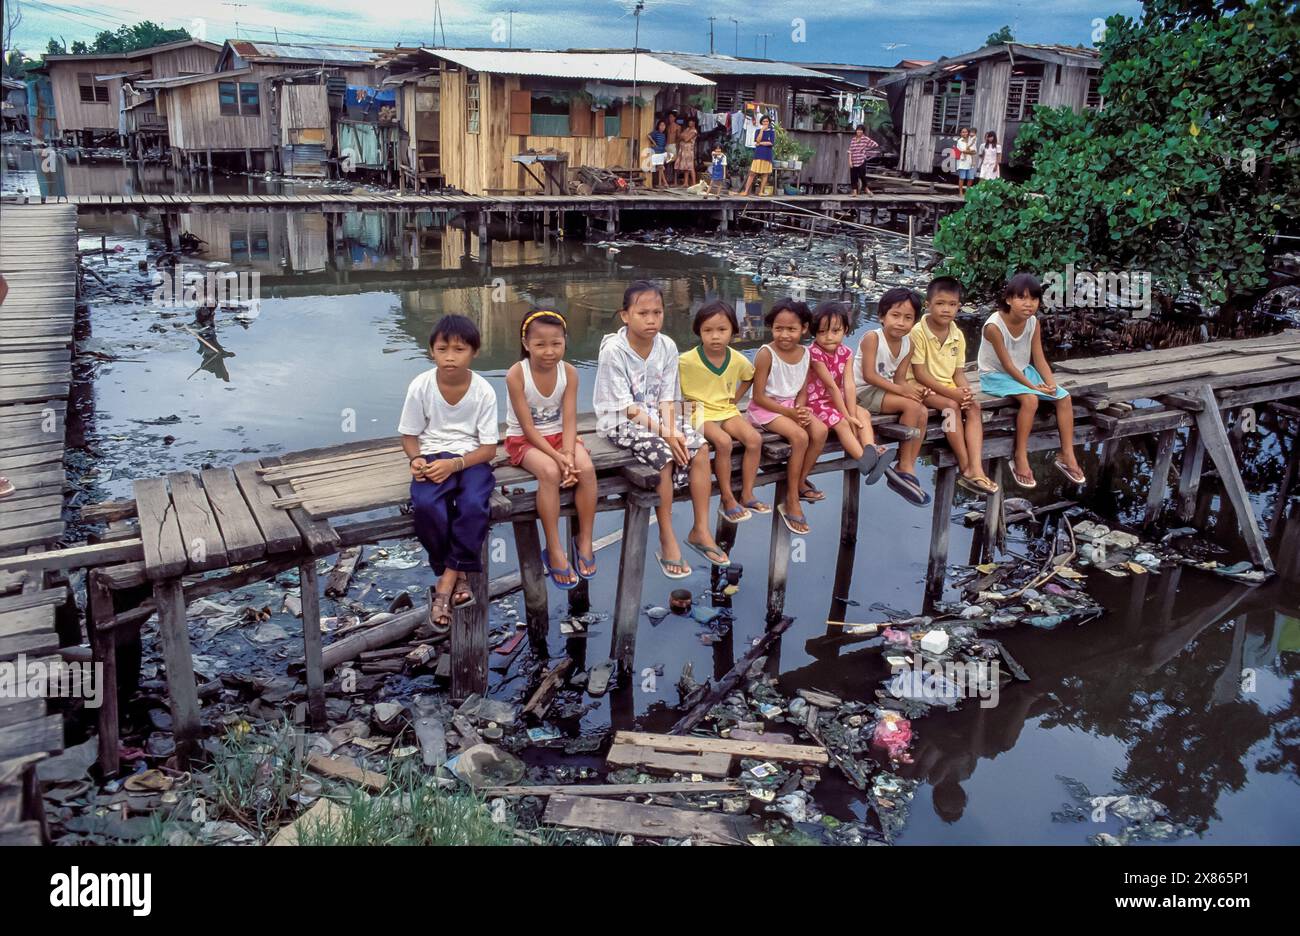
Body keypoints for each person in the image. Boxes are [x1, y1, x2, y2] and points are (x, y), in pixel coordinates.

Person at [593, 281, 730, 578]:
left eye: (657, 312)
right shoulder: (614, 351)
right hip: (619, 419)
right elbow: (626, 407)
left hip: (658, 416)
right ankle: (667, 538)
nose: (651, 320)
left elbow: (668, 397)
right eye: (643, 313)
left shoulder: (666, 345)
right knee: (664, 455)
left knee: (700, 447)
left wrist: (671, 428)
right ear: (625, 316)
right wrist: (665, 434)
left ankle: (700, 530)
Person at [398, 315, 499, 633]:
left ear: (474, 352)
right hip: (432, 456)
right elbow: (409, 436)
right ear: (432, 351)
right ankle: (460, 574)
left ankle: (445, 582)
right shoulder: (421, 386)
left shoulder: (483, 391)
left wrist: (455, 464)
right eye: (443, 349)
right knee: (428, 506)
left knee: (472, 505)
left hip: (470, 460)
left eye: (459, 349)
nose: (450, 357)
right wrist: (416, 460)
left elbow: (489, 449)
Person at [505, 310, 599, 588]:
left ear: (565, 341)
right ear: (526, 344)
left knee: (586, 468)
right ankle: (554, 547)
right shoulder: (517, 374)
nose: (549, 351)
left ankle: (585, 539)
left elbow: (569, 419)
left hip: (561, 436)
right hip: (526, 439)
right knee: (549, 472)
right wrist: (558, 458)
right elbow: (527, 427)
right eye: (540, 344)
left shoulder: (569, 372)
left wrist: (568, 454)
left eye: (556, 343)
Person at [978, 273, 1085, 488]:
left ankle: (1067, 454)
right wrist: (1034, 388)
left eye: (1034, 299)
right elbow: (1007, 365)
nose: (1028, 304)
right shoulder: (994, 326)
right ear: (1008, 299)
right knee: (1031, 400)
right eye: (1022, 298)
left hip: (1023, 371)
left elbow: (1039, 358)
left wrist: (1050, 384)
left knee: (1064, 398)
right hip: (995, 375)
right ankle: (1020, 455)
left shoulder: (1033, 323)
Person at [679, 299, 768, 523]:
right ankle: (727, 497)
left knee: (754, 440)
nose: (715, 336)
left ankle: (747, 493)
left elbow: (749, 377)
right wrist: (680, 405)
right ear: (699, 331)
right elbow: (666, 383)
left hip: (726, 410)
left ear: (733, 331)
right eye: (708, 330)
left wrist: (736, 398)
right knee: (723, 442)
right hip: (698, 412)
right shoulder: (686, 361)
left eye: (722, 330)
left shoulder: (737, 359)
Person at [909, 277, 999, 495]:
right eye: (940, 303)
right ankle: (966, 466)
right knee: (951, 408)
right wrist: (952, 394)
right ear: (928, 305)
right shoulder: (918, 332)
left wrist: (965, 392)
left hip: (947, 386)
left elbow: (958, 373)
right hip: (921, 387)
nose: (946, 309)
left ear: (959, 306)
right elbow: (920, 374)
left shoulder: (957, 335)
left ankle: (976, 467)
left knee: (974, 407)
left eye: (952, 304)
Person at [747, 298, 826, 534]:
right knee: (800, 437)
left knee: (820, 431)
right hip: (765, 409)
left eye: (791, 329)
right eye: (778, 328)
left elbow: (802, 391)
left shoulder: (806, 354)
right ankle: (791, 498)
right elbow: (758, 396)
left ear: (804, 328)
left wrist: (800, 409)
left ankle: (800, 480)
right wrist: (790, 413)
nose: (784, 335)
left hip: (791, 406)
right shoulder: (766, 354)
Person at [855, 287, 932, 506]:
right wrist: (902, 392)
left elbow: (900, 379)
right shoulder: (872, 338)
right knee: (912, 407)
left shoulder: (909, 344)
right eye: (895, 315)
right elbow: (869, 376)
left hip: (885, 390)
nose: (901, 322)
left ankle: (908, 465)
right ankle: (903, 464)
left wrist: (916, 390)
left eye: (908, 318)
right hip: (862, 392)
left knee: (922, 410)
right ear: (882, 316)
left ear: (914, 321)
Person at [807, 300, 894, 484]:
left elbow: (849, 384)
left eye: (835, 331)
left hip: (836, 400)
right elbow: (831, 386)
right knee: (842, 423)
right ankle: (865, 460)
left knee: (863, 414)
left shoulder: (846, 352)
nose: (829, 337)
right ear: (814, 332)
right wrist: (847, 416)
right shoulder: (814, 353)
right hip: (816, 402)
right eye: (822, 332)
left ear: (845, 330)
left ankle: (871, 449)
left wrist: (853, 413)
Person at [739, 114, 775, 197]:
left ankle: (761, 192)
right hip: (758, 154)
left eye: (767, 121)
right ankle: (746, 191)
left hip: (767, 155)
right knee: (752, 173)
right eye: (764, 121)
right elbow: (757, 140)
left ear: (769, 122)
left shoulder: (772, 132)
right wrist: (762, 130)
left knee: (765, 174)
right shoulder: (758, 131)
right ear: (761, 122)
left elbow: (771, 143)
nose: (765, 123)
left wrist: (760, 143)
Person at [848, 125, 878, 195]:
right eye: (858, 130)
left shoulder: (865, 139)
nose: (859, 131)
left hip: (861, 160)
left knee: (862, 176)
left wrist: (865, 149)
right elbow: (850, 151)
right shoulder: (853, 139)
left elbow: (875, 144)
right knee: (853, 176)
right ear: (856, 131)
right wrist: (850, 161)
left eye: (861, 130)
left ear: (863, 131)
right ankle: (854, 192)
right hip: (853, 160)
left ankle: (866, 189)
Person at [675, 116, 699, 187]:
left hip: (689, 150)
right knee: (686, 167)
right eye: (689, 121)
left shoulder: (694, 131)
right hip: (683, 150)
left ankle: (694, 183)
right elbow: (680, 136)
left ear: (694, 123)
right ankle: (686, 183)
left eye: (691, 121)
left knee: (690, 166)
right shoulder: (687, 129)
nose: (689, 123)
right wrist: (683, 136)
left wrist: (683, 136)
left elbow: (686, 139)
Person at [954, 127, 977, 198]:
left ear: (968, 133)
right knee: (962, 178)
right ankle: (960, 192)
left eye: (966, 132)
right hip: (962, 162)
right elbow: (963, 150)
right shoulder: (959, 141)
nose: (964, 133)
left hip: (970, 161)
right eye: (963, 132)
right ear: (960, 133)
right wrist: (970, 151)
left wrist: (969, 151)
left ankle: (967, 192)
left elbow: (975, 151)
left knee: (970, 178)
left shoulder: (971, 140)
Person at [648, 119, 668, 188]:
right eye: (661, 125)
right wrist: (654, 143)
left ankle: (660, 183)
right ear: (658, 126)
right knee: (660, 167)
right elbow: (649, 135)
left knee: (660, 168)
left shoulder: (664, 135)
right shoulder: (656, 133)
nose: (662, 127)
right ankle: (663, 182)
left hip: (662, 151)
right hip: (657, 151)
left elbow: (664, 145)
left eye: (664, 126)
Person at [665, 109, 681, 184]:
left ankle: (675, 181)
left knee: (675, 164)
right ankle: (666, 180)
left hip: (674, 145)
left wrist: (677, 148)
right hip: (667, 145)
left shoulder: (678, 127)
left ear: (674, 118)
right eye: (669, 117)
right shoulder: (667, 126)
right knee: (667, 163)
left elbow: (678, 138)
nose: (670, 118)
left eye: (671, 117)